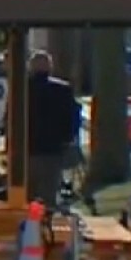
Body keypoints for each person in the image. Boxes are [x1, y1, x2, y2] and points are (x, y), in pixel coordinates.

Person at [26, 50, 81, 207]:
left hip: (27, 150)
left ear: (31, 67)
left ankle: (28, 228)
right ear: (50, 67)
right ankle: (46, 226)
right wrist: (68, 138)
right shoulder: (63, 90)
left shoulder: (22, 89)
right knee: (48, 196)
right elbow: (73, 118)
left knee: (26, 197)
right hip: (53, 151)